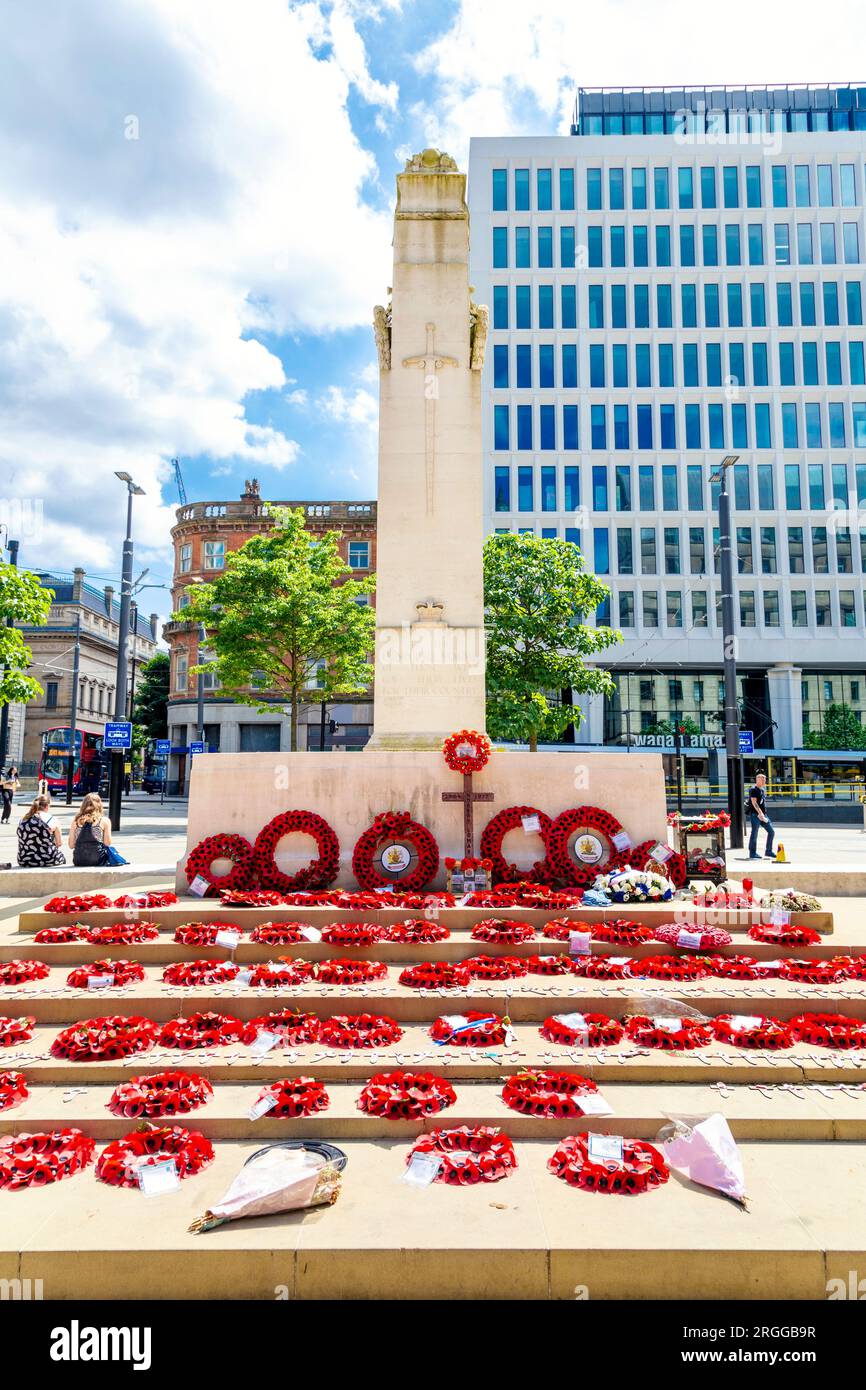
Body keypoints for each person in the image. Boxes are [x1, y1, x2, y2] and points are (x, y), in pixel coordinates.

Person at [68, 793, 128, 866]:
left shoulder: (75, 821)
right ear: (99, 805)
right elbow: (107, 843)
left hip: (79, 860)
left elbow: (71, 845)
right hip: (98, 859)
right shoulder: (104, 821)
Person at [17, 792, 65, 867]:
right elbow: (59, 843)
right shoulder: (53, 819)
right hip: (47, 858)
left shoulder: (23, 819)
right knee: (61, 857)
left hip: (24, 859)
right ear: (47, 806)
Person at [747, 771, 775, 861]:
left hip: (763, 815)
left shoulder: (762, 790)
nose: (764, 782)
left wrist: (763, 815)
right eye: (762, 780)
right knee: (754, 833)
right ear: (757, 780)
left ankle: (769, 851)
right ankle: (752, 853)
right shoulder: (753, 789)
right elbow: (754, 802)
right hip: (756, 815)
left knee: (771, 831)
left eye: (765, 780)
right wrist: (760, 813)